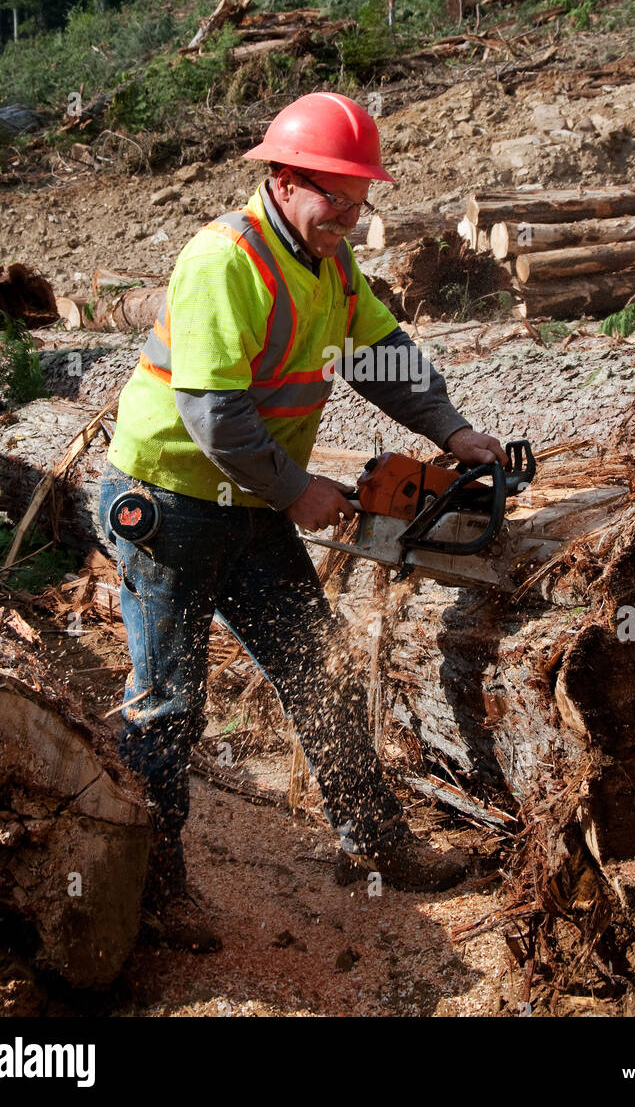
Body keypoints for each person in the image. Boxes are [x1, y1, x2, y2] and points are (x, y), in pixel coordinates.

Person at [98, 92, 507, 951]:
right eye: (335, 199)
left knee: (314, 668)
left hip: (246, 504)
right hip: (171, 503)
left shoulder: (327, 263)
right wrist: (298, 491)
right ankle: (152, 892)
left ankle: (375, 840)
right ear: (283, 181)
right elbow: (213, 412)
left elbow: (381, 354)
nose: (350, 220)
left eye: (361, 202)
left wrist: (452, 429)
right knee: (168, 702)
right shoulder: (225, 260)